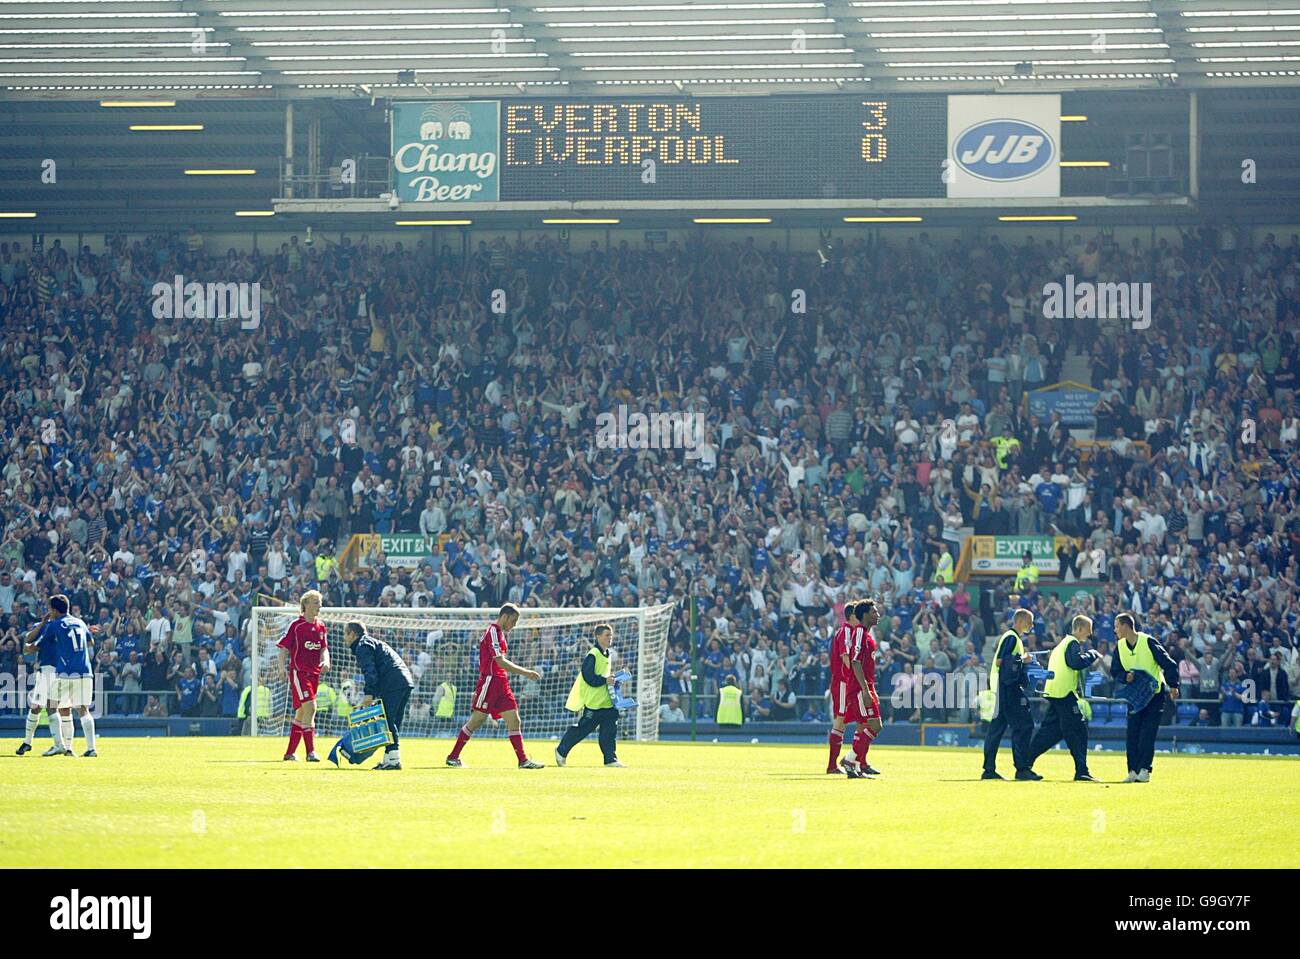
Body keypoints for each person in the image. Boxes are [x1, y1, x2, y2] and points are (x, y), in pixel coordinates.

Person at [445, 603, 545, 769]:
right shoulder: (492, 631)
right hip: (490, 682)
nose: (514, 625)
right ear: (504, 616)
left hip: (501, 682)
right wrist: (526, 672)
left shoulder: (500, 634)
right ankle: (453, 756)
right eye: (513, 620)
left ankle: (523, 760)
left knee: (514, 719)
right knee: (476, 721)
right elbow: (499, 661)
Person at [1024, 614, 1102, 781]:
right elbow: (1075, 663)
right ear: (1079, 629)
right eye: (1088, 631)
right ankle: (1081, 771)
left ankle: (1024, 764)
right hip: (1064, 694)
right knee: (1078, 731)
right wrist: (1092, 654)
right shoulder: (1072, 643)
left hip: (1055, 693)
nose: (1089, 635)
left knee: (1050, 733)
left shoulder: (1063, 643)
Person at [329, 622, 415, 770]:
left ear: (352, 634)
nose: (344, 638)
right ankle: (389, 758)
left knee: (387, 720)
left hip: (393, 682)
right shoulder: (372, 642)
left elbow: (370, 671)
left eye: (345, 634)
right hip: (404, 680)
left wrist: (369, 694)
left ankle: (394, 761)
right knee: (393, 721)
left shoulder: (362, 646)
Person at [1111, 612, 1179, 783]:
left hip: (1154, 695)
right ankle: (1132, 770)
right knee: (1132, 733)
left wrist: (1174, 685)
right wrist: (1124, 676)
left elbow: (1169, 664)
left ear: (1126, 626)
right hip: (1135, 697)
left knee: (1148, 733)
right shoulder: (1119, 647)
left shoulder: (1148, 641)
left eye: (1117, 626)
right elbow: (1115, 671)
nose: (1115, 629)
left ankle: (1144, 770)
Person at [982, 608, 1041, 781]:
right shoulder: (1011, 637)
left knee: (996, 730)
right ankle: (1021, 769)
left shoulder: (1013, 638)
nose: (1032, 625)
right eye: (1030, 622)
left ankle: (989, 769)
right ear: (1021, 621)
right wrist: (1024, 660)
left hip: (1002, 688)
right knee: (1024, 726)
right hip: (1008, 689)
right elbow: (1001, 661)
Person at [555, 623, 625, 767]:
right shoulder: (593, 654)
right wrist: (605, 680)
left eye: (611, 635)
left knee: (609, 730)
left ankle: (610, 759)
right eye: (607, 635)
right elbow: (588, 677)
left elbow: (604, 676)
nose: (610, 638)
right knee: (582, 729)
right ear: (598, 636)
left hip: (607, 701)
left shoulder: (608, 654)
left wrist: (613, 681)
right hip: (594, 702)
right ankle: (561, 751)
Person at [276, 588, 330, 762]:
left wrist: (326, 661)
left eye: (320, 603)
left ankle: (290, 753)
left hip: (314, 674)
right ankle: (310, 752)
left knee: (301, 714)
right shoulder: (296, 626)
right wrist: (281, 668)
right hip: (299, 673)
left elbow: (323, 648)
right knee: (311, 708)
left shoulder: (321, 626)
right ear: (305, 605)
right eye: (315, 602)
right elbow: (283, 648)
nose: (319, 606)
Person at [17, 602, 68, 756]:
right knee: (40, 706)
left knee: (47, 706)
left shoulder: (61, 626)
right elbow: (28, 637)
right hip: (51, 670)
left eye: (49, 608)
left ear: (54, 609)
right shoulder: (45, 625)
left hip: (52, 669)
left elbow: (30, 646)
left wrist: (31, 648)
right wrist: (43, 623)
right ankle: (31, 742)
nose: (47, 611)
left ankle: (56, 744)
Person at [844, 599, 884, 777]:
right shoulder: (860, 633)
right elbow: (855, 662)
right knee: (875, 725)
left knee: (864, 725)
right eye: (875, 612)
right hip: (861, 688)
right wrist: (866, 690)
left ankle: (860, 764)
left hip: (867, 685)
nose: (878, 615)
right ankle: (850, 759)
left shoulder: (867, 634)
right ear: (865, 615)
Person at [826, 600, 861, 773]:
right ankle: (832, 765)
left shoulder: (852, 632)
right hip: (842, 682)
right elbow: (846, 658)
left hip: (846, 682)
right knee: (839, 721)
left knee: (844, 723)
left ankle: (844, 762)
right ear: (852, 616)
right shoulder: (846, 631)